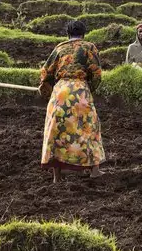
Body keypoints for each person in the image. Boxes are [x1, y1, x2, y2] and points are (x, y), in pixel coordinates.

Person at [39, 20, 105, 182]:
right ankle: (94, 170)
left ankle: (57, 176)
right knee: (89, 127)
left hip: (60, 92)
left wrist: (46, 91)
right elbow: (96, 74)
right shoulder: (89, 47)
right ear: (83, 34)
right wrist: (89, 90)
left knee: (56, 130)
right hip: (80, 90)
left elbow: (46, 73)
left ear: (68, 34)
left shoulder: (59, 48)